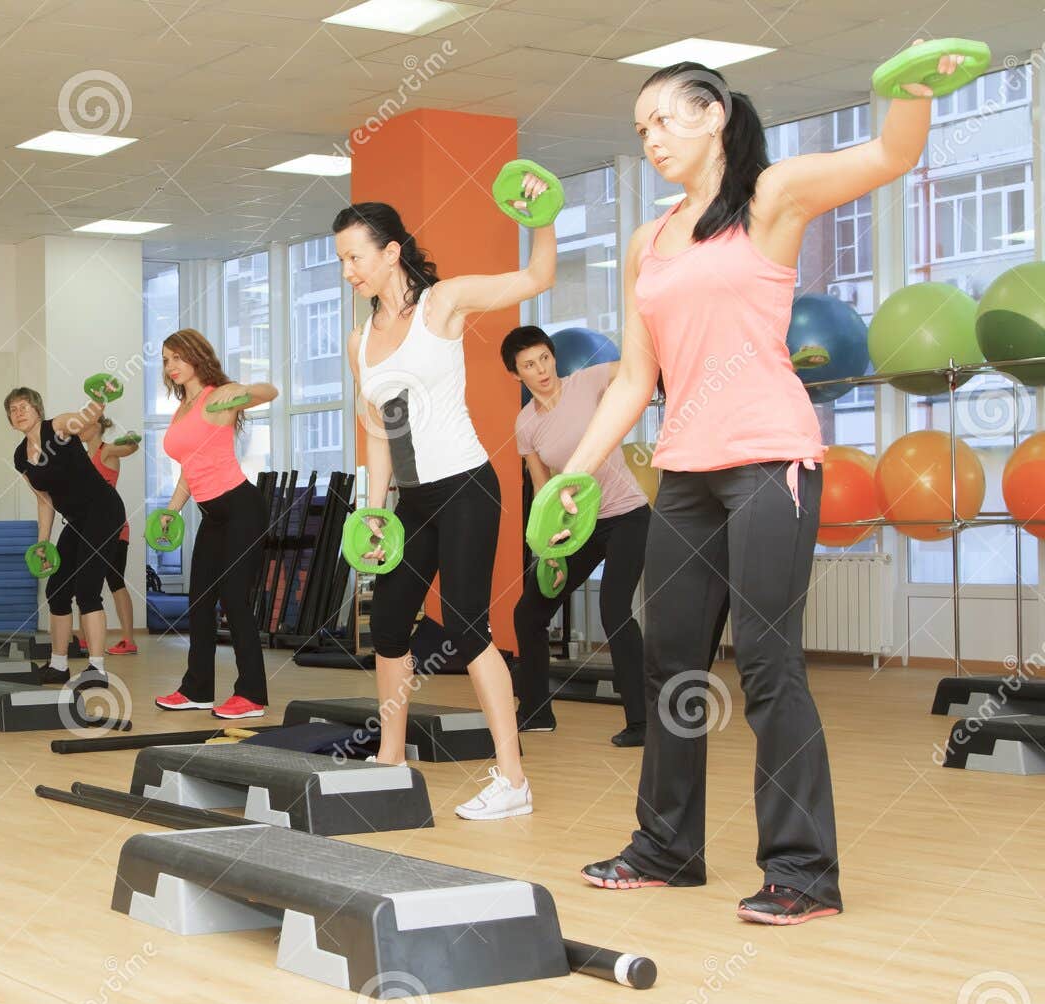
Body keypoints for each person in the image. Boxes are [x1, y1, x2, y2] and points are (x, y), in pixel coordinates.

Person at [559, 53, 968, 924]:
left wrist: (914, 90)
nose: (651, 139)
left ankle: (802, 872)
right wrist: (573, 475)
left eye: (664, 120)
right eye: (640, 130)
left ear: (712, 114)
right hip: (683, 471)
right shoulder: (651, 239)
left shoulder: (771, 197)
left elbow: (889, 156)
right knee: (673, 662)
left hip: (769, 461)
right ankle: (666, 848)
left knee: (770, 664)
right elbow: (635, 380)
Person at [334, 189, 554, 819]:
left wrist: (541, 217)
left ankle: (512, 779)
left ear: (391, 251)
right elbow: (378, 432)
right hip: (413, 499)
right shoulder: (360, 340)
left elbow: (536, 276)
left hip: (466, 486)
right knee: (389, 623)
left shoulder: (443, 303)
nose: (349, 272)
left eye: (356, 258)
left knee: (466, 626)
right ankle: (390, 760)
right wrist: (375, 514)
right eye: (343, 260)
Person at [504, 326, 649, 747]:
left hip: (626, 516)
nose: (541, 369)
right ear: (517, 375)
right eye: (529, 365)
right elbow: (540, 486)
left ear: (553, 357)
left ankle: (641, 722)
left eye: (545, 358)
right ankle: (535, 712)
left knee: (614, 609)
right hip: (575, 530)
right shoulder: (526, 424)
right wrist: (546, 547)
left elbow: (637, 367)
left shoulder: (587, 381)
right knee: (528, 613)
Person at [151, 330, 276, 719]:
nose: (171, 366)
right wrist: (172, 510)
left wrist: (238, 394)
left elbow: (269, 390)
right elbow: (190, 468)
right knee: (199, 602)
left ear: (196, 356)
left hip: (242, 508)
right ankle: (198, 688)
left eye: (177, 357)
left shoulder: (216, 396)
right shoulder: (182, 409)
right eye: (166, 359)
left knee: (235, 599)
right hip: (211, 514)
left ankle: (251, 695)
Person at [6, 386, 123, 688]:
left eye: (23, 407)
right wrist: (43, 542)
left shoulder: (56, 428)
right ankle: (59, 666)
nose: (18, 413)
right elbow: (44, 500)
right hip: (76, 520)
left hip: (103, 511)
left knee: (87, 590)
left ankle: (96, 669)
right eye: (13, 410)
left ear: (37, 410)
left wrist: (101, 397)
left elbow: (86, 418)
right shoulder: (21, 456)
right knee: (56, 590)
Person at [80, 416, 140, 655]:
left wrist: (133, 435)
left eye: (85, 425)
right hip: (89, 527)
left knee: (115, 581)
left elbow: (131, 447)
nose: (80, 430)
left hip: (114, 526)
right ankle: (85, 638)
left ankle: (128, 640)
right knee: (83, 580)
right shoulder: (83, 458)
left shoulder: (107, 452)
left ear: (97, 427)